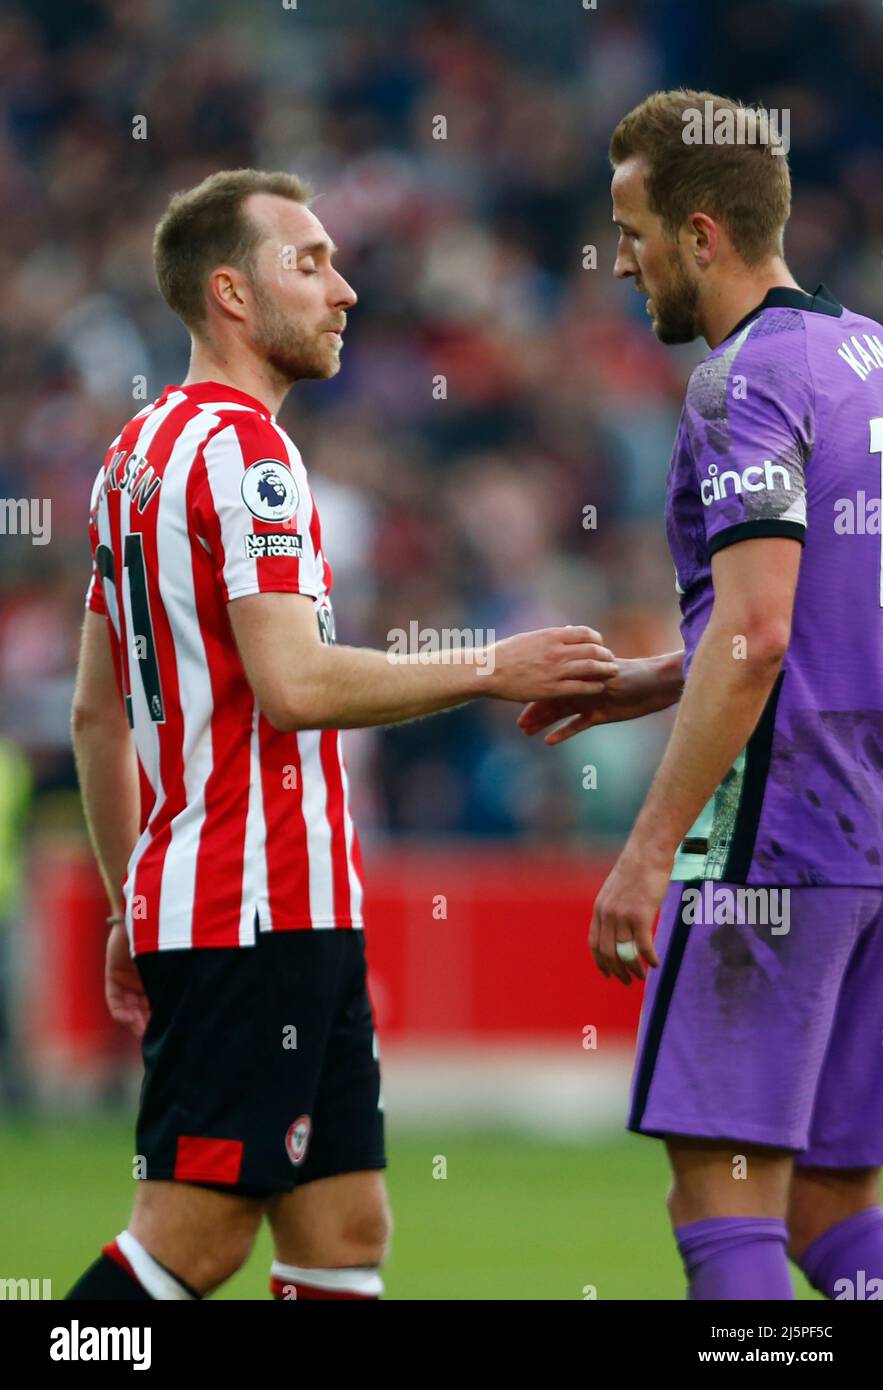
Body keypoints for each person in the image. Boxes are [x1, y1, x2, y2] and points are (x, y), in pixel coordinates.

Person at [65, 168, 617, 1301]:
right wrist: (489, 665)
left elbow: (95, 709)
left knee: (342, 1229)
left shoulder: (131, 459)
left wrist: (133, 896)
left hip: (259, 901)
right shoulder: (245, 456)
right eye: (309, 263)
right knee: (191, 1242)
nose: (345, 289)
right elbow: (295, 686)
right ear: (230, 292)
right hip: (252, 903)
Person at [520, 89, 883, 1300]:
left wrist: (647, 847)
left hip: (775, 839)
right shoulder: (867, 359)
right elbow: (813, 617)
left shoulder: (739, 386)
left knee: (720, 1189)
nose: (618, 262)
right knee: (834, 1197)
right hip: (871, 843)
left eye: (630, 230)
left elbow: (762, 631)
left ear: (701, 234)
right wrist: (653, 674)